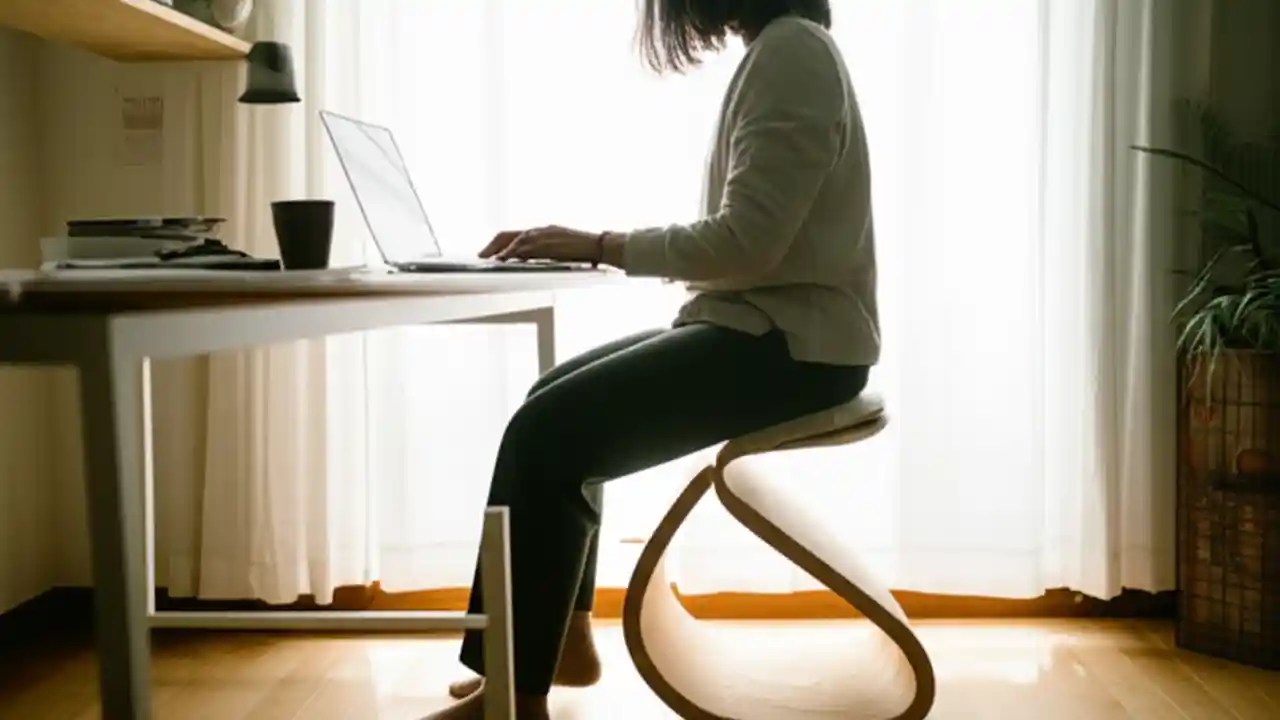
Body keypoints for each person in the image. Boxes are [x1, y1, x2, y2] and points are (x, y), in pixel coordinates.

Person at [427, 0, 877, 717]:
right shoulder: (785, 49)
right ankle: (558, 646)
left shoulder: (792, 52)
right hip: (774, 331)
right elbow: (755, 242)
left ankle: (511, 699)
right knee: (552, 399)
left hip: (791, 346)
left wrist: (602, 243)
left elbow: (746, 244)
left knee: (549, 434)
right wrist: (601, 246)